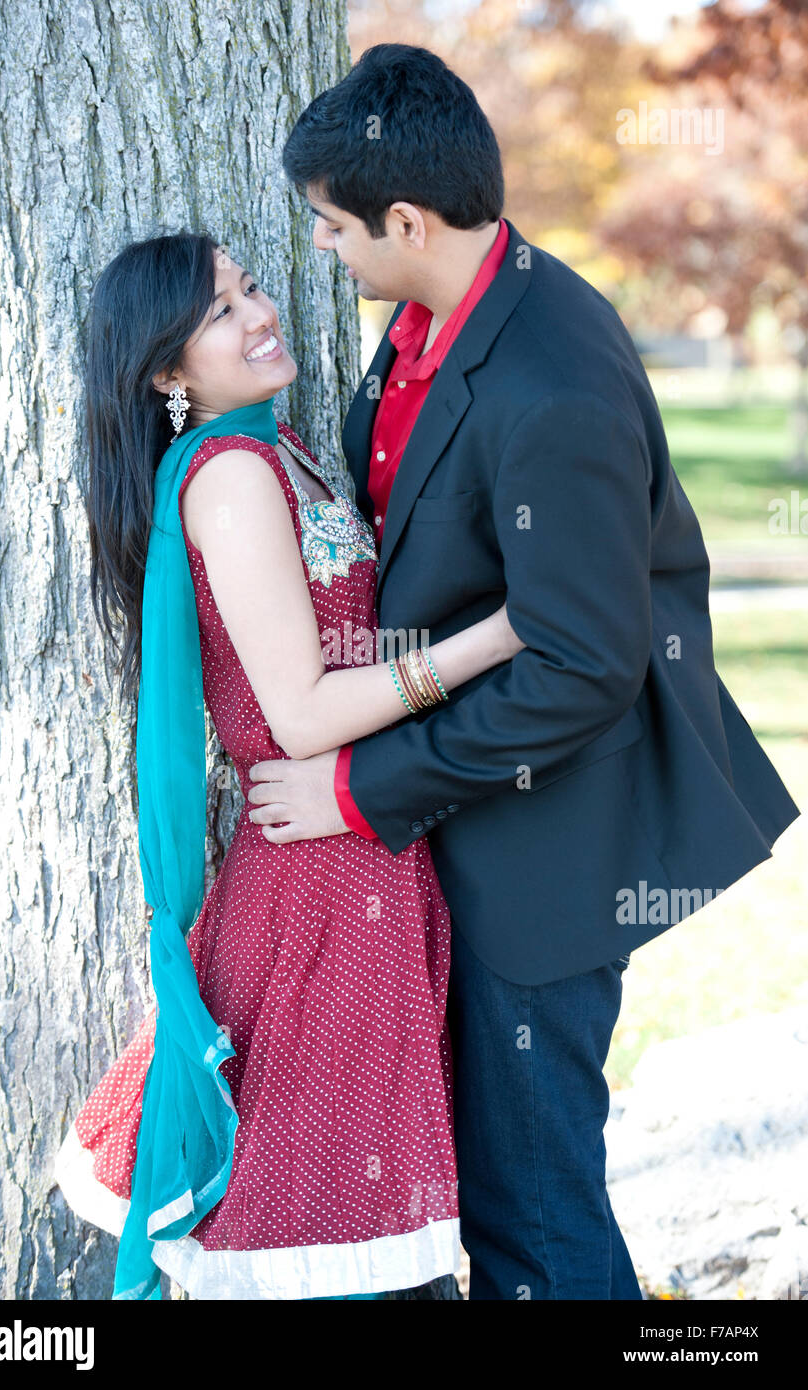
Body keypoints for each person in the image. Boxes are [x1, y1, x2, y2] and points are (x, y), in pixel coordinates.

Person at [240, 43, 802, 1300]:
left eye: (332, 229)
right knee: (487, 1199)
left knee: (533, 1218)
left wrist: (359, 785)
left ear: (405, 218)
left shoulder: (551, 383)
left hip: (551, 849)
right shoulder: (441, 311)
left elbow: (580, 666)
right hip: (475, 824)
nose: (322, 251)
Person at [52, 229, 524, 1300]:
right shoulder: (229, 477)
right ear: (168, 374)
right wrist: (496, 640)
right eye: (219, 312)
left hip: (363, 858)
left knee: (367, 1225)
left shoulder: (291, 453)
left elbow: (348, 655)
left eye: (251, 287)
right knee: (320, 1233)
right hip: (315, 892)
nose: (260, 313)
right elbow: (303, 713)